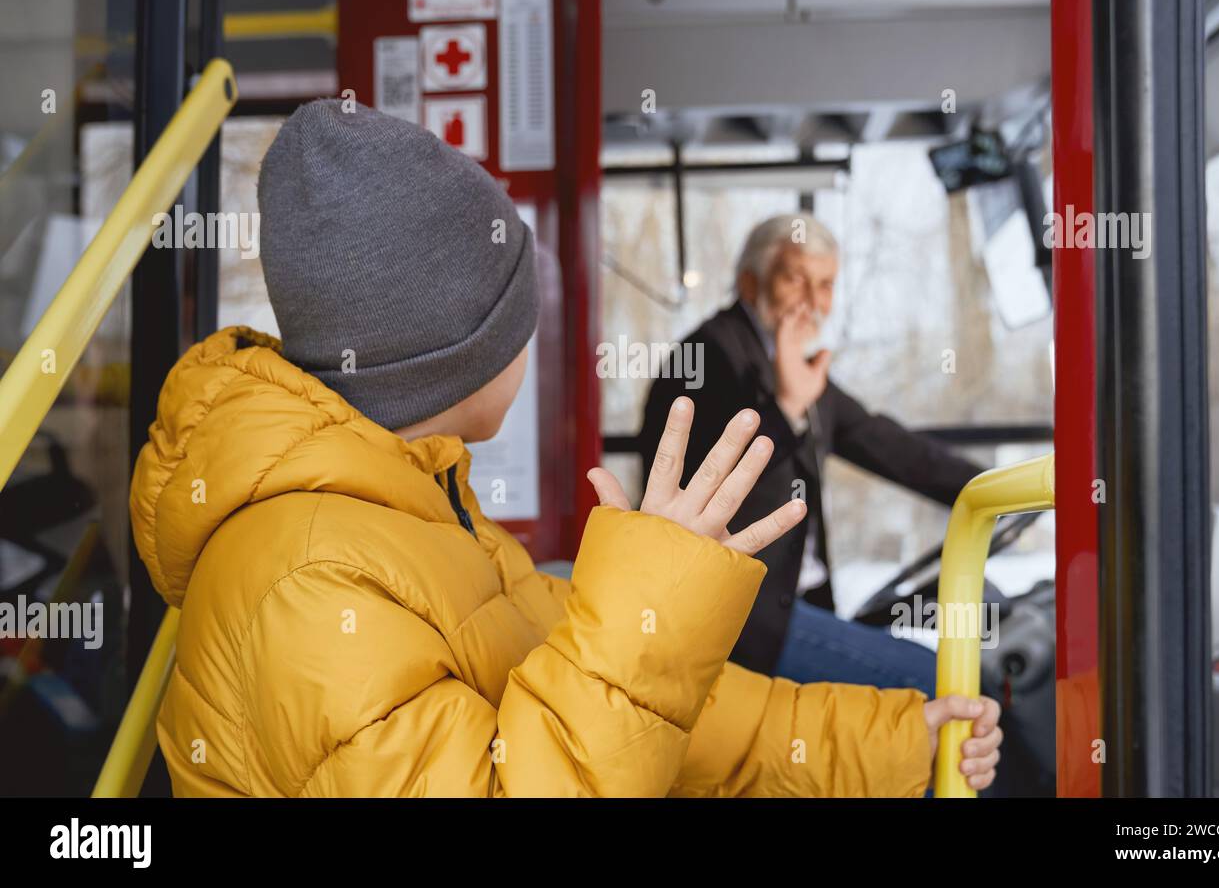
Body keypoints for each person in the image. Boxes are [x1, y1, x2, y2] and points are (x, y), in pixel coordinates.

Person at [128, 101, 1002, 797]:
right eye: (517, 313)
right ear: (455, 349)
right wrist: (651, 597)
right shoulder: (306, 582)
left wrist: (898, 745)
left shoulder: (433, 515)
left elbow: (680, 722)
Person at [639, 214, 984, 692]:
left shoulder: (796, 368)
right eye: (794, 279)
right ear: (749, 281)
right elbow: (708, 488)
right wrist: (785, 406)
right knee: (931, 679)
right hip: (738, 616)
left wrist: (987, 487)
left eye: (826, 285)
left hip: (802, 604)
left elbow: (881, 442)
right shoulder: (703, 358)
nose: (812, 301)